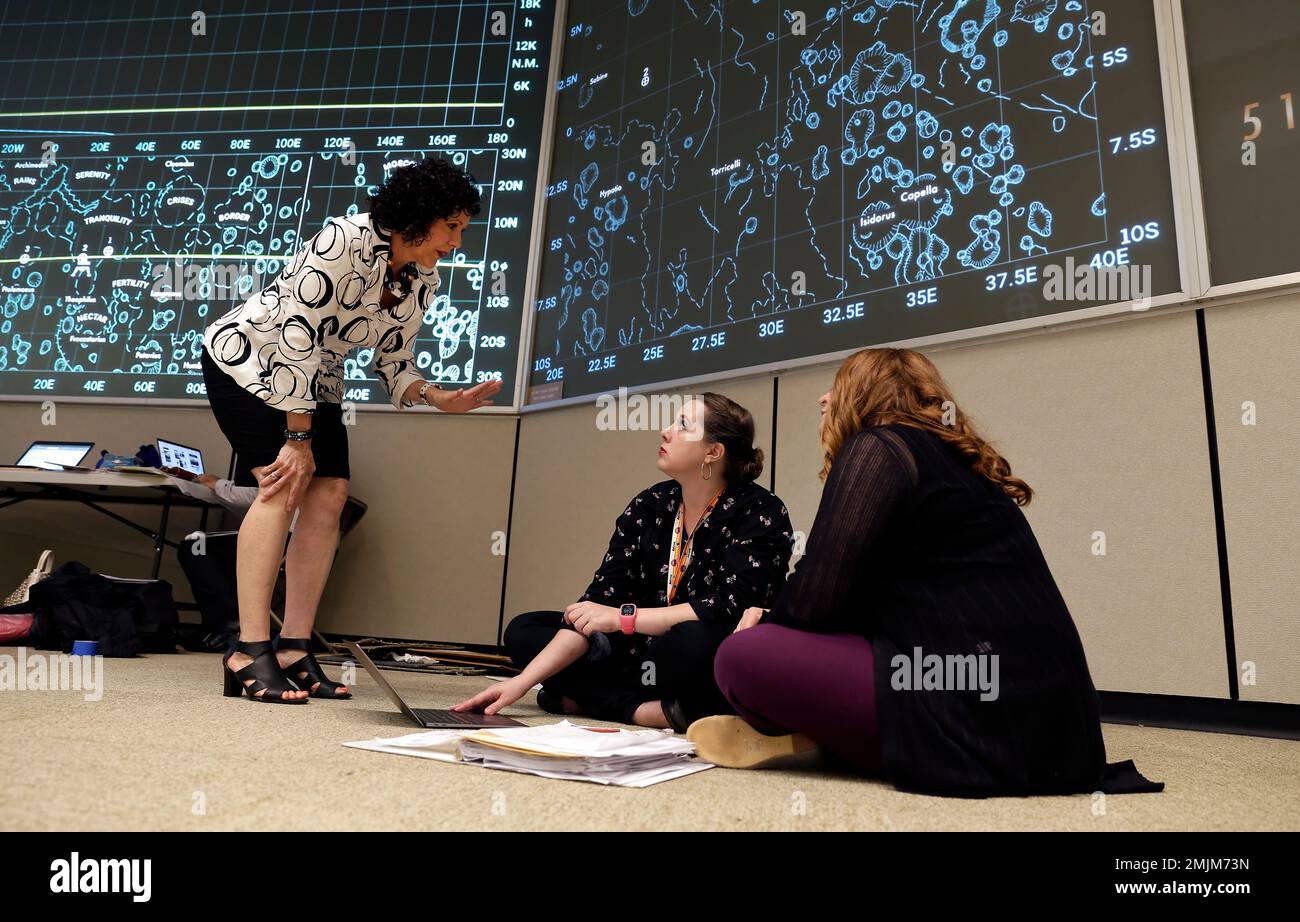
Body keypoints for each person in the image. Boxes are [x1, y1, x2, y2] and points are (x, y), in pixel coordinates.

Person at [690, 348, 1162, 798]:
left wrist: (766, 623)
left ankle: (826, 735)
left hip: (976, 708)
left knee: (741, 657)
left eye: (837, 385)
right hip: (1050, 719)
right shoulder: (954, 460)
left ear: (865, 396)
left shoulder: (878, 446)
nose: (823, 399)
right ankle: (827, 735)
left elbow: (818, 594)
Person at [202, 156, 501, 704]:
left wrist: (439, 398)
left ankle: (292, 646)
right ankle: (247, 649)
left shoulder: (421, 277)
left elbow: (394, 360)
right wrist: (297, 440)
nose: (457, 243)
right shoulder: (344, 241)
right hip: (247, 362)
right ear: (418, 217)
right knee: (283, 484)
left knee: (331, 494)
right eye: (452, 227)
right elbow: (296, 330)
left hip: (314, 377)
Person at [452, 393, 794, 732]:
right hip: (636, 654)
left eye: (683, 425)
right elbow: (600, 600)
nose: (666, 431)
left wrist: (623, 620)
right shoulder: (651, 504)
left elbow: (725, 607)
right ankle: (650, 709)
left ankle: (589, 697)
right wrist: (521, 683)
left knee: (693, 644)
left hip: (692, 650)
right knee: (524, 631)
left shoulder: (761, 511)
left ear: (713, 451)